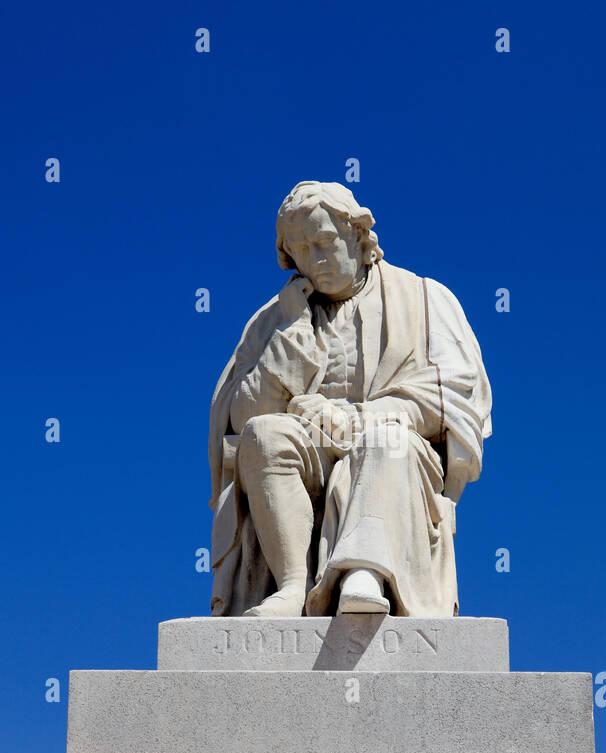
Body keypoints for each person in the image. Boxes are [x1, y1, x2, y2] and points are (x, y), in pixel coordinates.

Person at [207, 181, 492, 617]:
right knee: (265, 436)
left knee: (386, 444)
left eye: (323, 242)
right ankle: (290, 586)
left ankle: (364, 572)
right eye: (299, 249)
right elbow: (238, 421)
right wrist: (290, 338)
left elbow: (452, 396)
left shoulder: (424, 298)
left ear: (357, 235)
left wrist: (358, 418)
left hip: (396, 448)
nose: (313, 259)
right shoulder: (274, 318)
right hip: (310, 451)